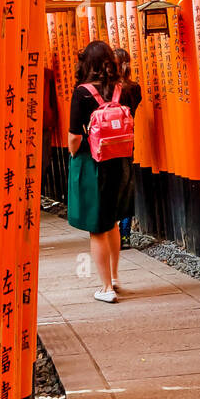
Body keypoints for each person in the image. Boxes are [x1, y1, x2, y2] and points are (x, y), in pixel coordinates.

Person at [68, 40, 135, 303]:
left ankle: (105, 288)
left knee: (97, 227)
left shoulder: (82, 92)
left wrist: (75, 154)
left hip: (92, 162)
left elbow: (74, 136)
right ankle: (115, 278)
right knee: (113, 222)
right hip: (119, 162)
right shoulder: (124, 90)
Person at [113, 47, 142, 247]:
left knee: (109, 189)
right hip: (126, 142)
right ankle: (125, 235)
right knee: (126, 186)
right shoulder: (134, 88)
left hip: (105, 145)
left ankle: (112, 233)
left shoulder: (106, 89)